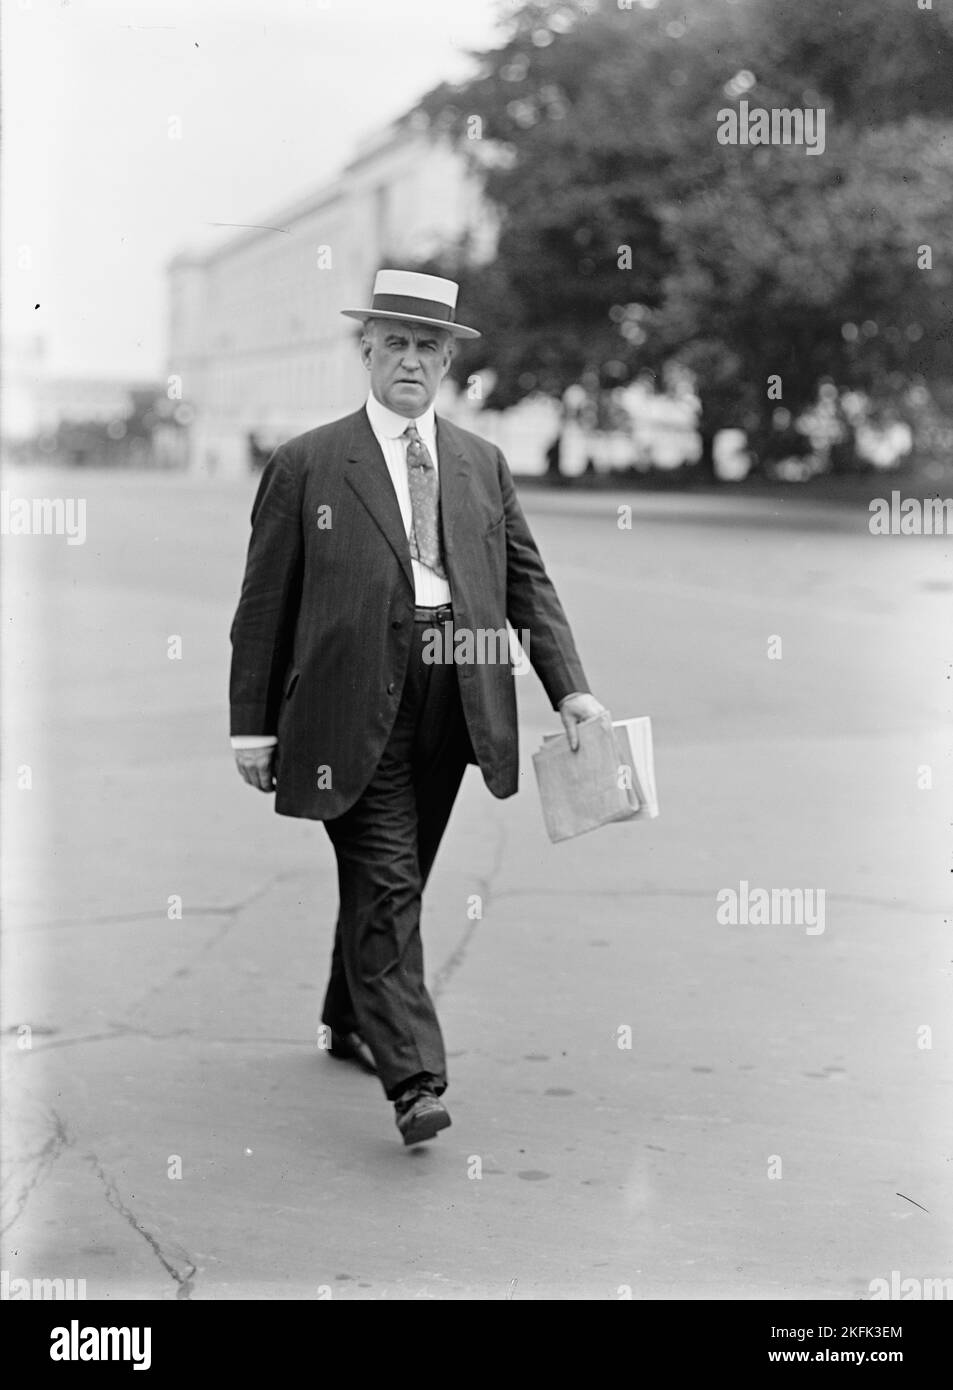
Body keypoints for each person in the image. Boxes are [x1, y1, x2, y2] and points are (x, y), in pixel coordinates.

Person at [229, 269, 605, 1146]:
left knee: (395, 879)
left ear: (447, 362)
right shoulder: (307, 462)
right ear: (365, 349)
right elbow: (262, 607)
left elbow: (527, 586)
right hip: (346, 702)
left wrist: (570, 689)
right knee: (389, 881)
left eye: (427, 346)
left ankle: (349, 1014)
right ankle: (413, 1079)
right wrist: (252, 723)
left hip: (457, 691)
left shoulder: (481, 463)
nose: (410, 359)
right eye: (393, 341)